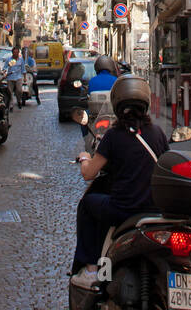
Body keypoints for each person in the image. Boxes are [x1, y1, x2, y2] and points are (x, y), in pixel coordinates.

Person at [71, 76, 168, 288]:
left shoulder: (114, 136)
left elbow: (89, 174)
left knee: (88, 206)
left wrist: (85, 158)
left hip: (124, 209)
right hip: (155, 209)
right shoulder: (158, 133)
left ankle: (91, 269)